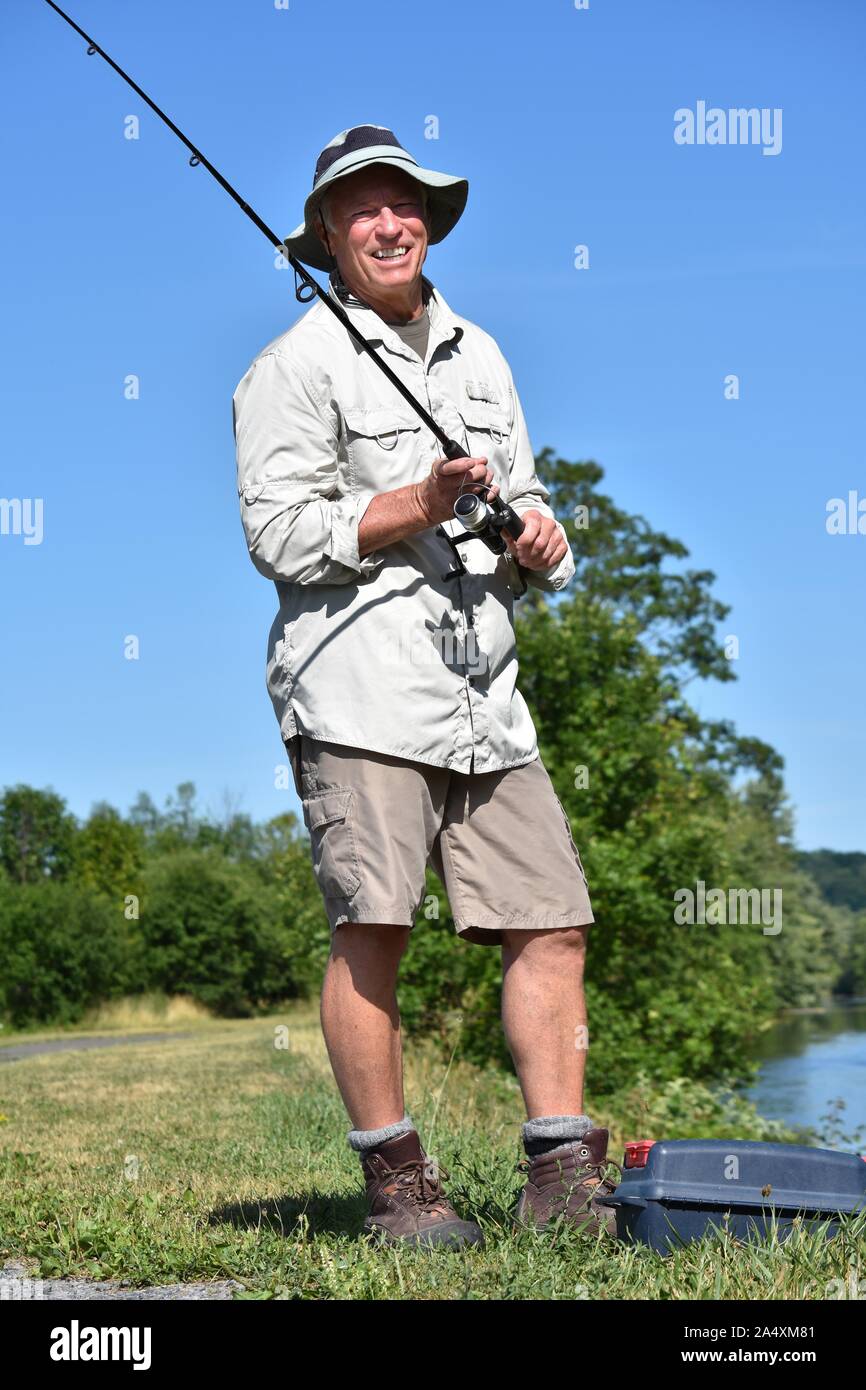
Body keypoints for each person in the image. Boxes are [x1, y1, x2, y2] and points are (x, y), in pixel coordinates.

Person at [232, 124, 620, 1250]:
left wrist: (538, 541)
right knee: (375, 925)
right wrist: (416, 499)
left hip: (485, 698)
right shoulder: (291, 368)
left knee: (550, 920)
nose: (387, 222)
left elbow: (523, 497)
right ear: (329, 237)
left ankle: (562, 1175)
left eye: (402, 202)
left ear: (428, 221)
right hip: (354, 691)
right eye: (361, 209)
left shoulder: (483, 356)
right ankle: (399, 1189)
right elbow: (278, 534)